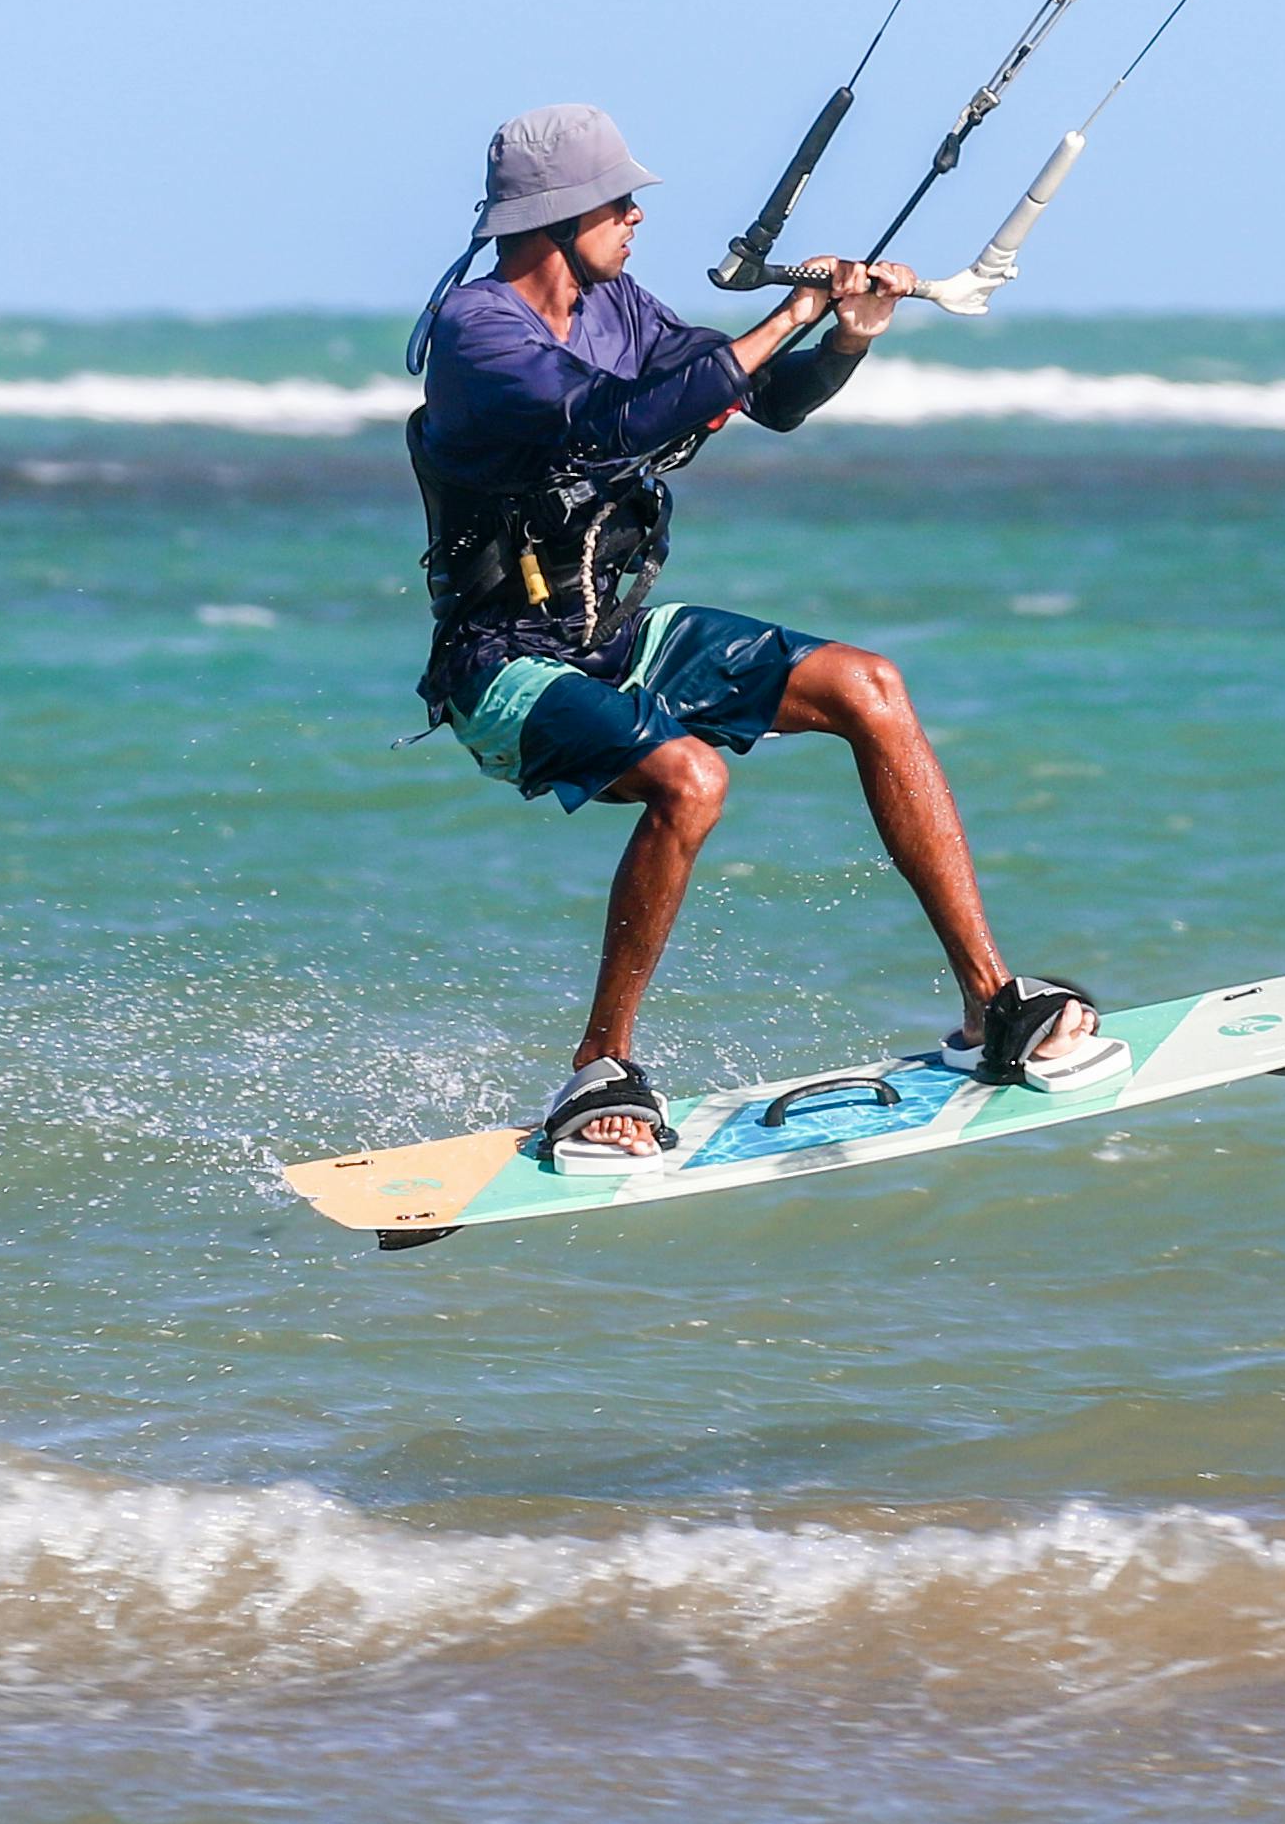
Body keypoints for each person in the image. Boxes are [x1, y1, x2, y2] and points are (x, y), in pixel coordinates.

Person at [404, 101, 1116, 1164]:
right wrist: (794, 305)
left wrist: (848, 332)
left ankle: (990, 1008)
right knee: (690, 779)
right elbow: (612, 423)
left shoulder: (619, 305)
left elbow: (762, 399)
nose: (638, 216)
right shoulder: (479, 333)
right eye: (618, 201)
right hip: (505, 661)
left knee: (867, 684)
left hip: (622, 630)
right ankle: (600, 1065)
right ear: (556, 217)